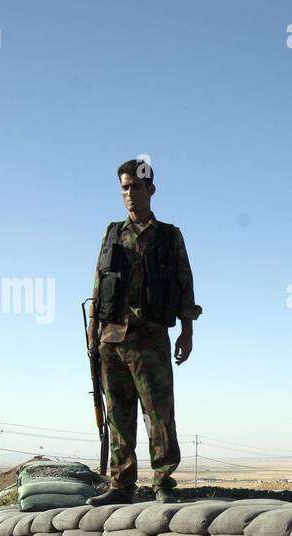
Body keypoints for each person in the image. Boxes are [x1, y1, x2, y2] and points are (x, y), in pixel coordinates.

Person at [86, 158, 201, 506]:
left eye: (136, 187)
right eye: (124, 188)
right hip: (111, 338)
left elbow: (184, 283)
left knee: (159, 412)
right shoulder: (112, 233)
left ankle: (164, 482)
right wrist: (93, 331)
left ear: (150, 189)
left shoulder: (168, 236)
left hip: (150, 337)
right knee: (118, 414)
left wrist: (187, 331)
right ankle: (121, 485)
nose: (130, 194)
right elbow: (98, 282)